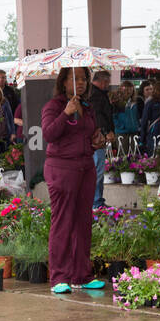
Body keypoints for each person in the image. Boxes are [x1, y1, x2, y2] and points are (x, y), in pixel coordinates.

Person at [42, 66, 109, 294]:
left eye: (84, 79)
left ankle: (81, 275)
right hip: (62, 169)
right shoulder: (54, 106)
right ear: (63, 82)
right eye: (75, 78)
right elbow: (49, 134)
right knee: (62, 222)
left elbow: (86, 134)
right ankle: (59, 277)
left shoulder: (87, 107)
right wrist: (66, 114)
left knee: (83, 222)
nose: (80, 83)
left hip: (85, 168)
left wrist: (96, 140)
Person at [86, 71, 116, 209]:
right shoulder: (96, 95)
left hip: (97, 138)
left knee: (98, 171)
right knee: (97, 171)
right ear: (102, 81)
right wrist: (106, 131)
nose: (108, 85)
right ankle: (96, 203)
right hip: (97, 139)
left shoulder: (96, 94)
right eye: (108, 82)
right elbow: (98, 116)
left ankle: (97, 201)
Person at [140, 80, 160, 157]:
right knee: (153, 159)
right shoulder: (151, 102)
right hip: (154, 137)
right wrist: (142, 140)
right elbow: (144, 121)